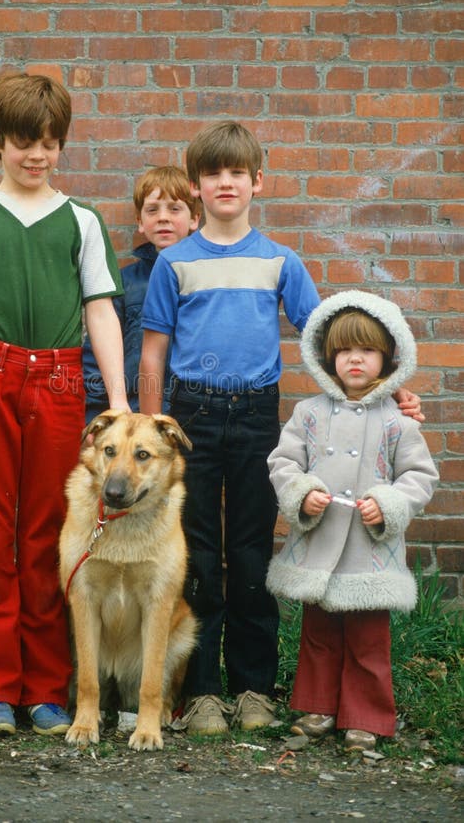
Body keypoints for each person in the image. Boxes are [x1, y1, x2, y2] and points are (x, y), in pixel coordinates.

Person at [139, 121, 424, 737]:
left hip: (255, 417)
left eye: (236, 173)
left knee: (248, 551)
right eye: (212, 174)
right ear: (195, 186)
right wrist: (150, 428)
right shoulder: (173, 263)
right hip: (188, 419)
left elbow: (330, 337)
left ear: (256, 182)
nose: (224, 183)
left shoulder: (280, 261)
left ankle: (252, 688)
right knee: (196, 554)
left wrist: (391, 385)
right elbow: (154, 355)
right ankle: (201, 693)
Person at [0, 72, 129, 736]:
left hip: (58, 383)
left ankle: (45, 688)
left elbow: (100, 311)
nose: (36, 155)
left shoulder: (80, 221)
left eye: (48, 142)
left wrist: (121, 405)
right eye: (23, 142)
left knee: (48, 530)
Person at [266, 290, 438, 751]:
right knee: (318, 633)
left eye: (366, 350)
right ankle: (318, 707)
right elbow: (283, 463)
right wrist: (302, 495)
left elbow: (419, 476)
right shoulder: (309, 413)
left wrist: (389, 503)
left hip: (369, 551)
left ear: (388, 357)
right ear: (327, 357)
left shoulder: (399, 422)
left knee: (367, 639)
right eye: (343, 351)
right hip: (319, 544)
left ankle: (365, 717)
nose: (354, 360)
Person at [83, 165, 199, 422]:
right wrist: (95, 416)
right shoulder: (124, 284)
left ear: (194, 219)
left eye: (175, 208)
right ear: (140, 222)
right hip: (135, 417)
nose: (163, 217)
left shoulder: (206, 278)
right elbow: (95, 357)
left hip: (196, 420)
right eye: (152, 209)